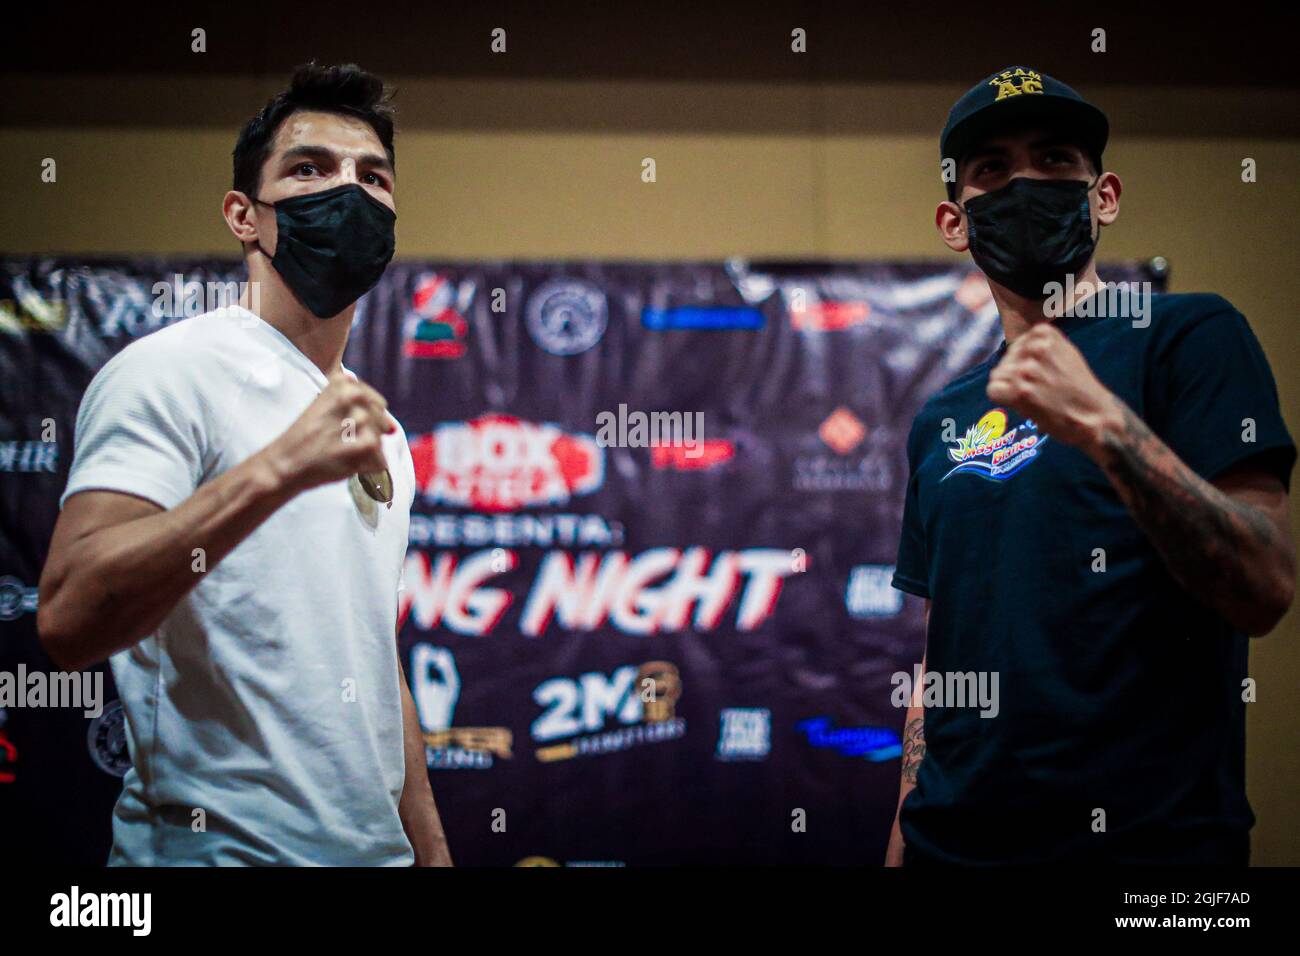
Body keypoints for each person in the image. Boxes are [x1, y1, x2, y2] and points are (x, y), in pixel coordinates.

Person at [37, 62, 452, 866]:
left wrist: (428, 846)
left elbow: (366, 648)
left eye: (374, 177)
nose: (350, 191)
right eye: (310, 169)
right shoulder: (170, 371)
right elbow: (67, 615)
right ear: (243, 215)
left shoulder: (379, 429)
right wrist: (277, 471)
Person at [885, 66, 1295, 865]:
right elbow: (943, 659)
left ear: (1102, 195)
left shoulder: (1191, 338)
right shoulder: (942, 417)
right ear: (954, 220)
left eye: (1055, 159)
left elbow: (1266, 585)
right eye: (993, 170)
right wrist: (903, 836)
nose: (1026, 183)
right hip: (952, 847)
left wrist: (1108, 428)